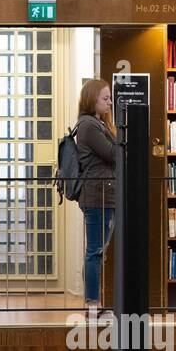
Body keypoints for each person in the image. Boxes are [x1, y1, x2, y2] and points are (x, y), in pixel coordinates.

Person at [75, 77, 116, 313]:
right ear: (93, 99)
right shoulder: (89, 125)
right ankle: (92, 303)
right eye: (105, 98)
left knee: (98, 251)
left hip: (104, 195)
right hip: (97, 196)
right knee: (95, 251)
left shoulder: (98, 124)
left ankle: (94, 302)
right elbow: (113, 153)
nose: (110, 103)